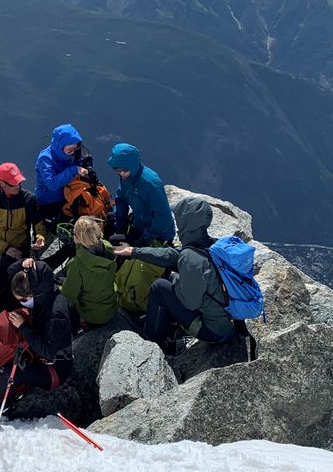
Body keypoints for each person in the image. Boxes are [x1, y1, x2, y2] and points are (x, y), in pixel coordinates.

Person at [0, 259, 73, 427]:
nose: (22, 302)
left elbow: (48, 351)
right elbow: (11, 271)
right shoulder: (44, 291)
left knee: (13, 373)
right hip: (41, 356)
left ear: (35, 292)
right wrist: (22, 264)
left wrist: (24, 327)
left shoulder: (56, 313)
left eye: (24, 299)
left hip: (55, 368)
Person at [113, 197, 235, 354]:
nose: (177, 223)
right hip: (230, 322)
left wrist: (174, 278)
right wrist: (134, 251)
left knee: (159, 287)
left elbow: (189, 302)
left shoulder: (190, 258)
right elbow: (170, 255)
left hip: (214, 332)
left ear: (187, 222)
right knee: (170, 275)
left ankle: (155, 344)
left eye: (179, 218)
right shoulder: (209, 245)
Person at [0, 163, 48, 317]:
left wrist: (40, 237)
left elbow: (39, 226)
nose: (18, 186)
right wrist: (5, 249)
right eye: (14, 183)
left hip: (20, 250)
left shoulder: (28, 199)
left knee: (0, 276)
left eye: (19, 181)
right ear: (2, 184)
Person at [107, 142, 175, 246]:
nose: (121, 174)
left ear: (132, 166)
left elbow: (163, 217)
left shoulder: (150, 183)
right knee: (112, 239)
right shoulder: (127, 178)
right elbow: (121, 199)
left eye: (124, 170)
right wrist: (119, 226)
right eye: (118, 170)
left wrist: (143, 241)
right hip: (140, 229)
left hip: (158, 236)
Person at [60, 216, 118, 329]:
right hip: (111, 306)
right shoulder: (108, 247)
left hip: (92, 315)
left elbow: (69, 294)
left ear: (79, 238)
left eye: (74, 234)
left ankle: (82, 322)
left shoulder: (77, 264)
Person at [34, 124, 88, 231]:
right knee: (48, 235)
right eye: (70, 150)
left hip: (67, 199)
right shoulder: (45, 158)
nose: (73, 152)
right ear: (60, 145)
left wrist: (86, 165)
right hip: (48, 203)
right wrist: (74, 170)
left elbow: (79, 168)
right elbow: (52, 184)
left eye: (75, 149)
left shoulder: (71, 154)